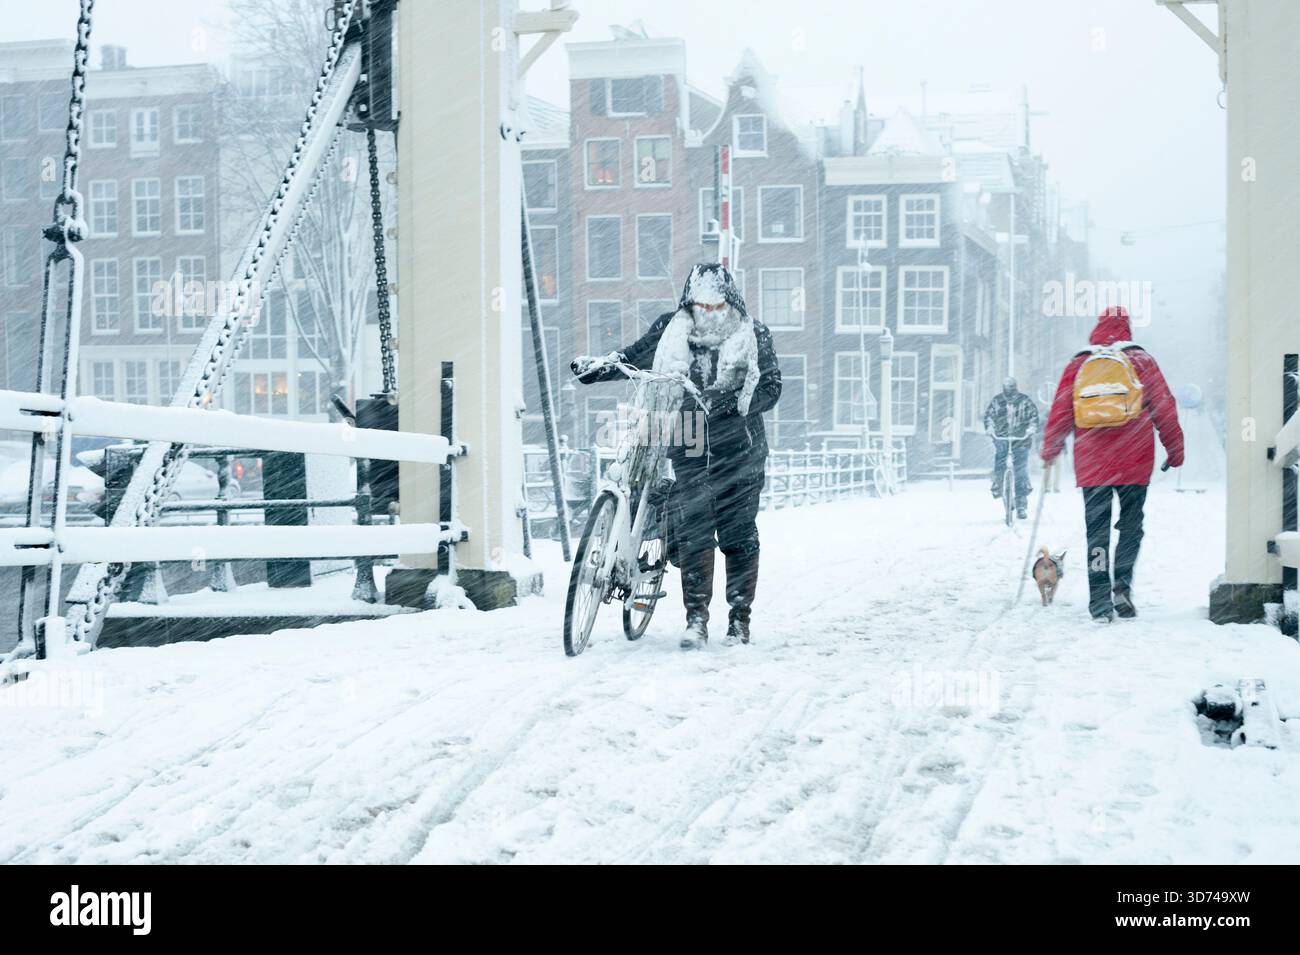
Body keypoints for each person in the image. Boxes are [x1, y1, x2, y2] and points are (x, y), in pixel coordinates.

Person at [570, 264, 782, 649]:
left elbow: (771, 386)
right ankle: (696, 620)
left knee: (736, 534)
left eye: (716, 305)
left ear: (730, 302)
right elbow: (636, 356)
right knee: (694, 532)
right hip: (689, 444)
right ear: (689, 301)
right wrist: (599, 368)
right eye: (701, 304)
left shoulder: (754, 334)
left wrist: (731, 403)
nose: (709, 312)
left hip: (740, 449)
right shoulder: (673, 329)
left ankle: (738, 620)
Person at [1040, 305, 1185, 622]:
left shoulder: (1080, 363)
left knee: (1097, 533)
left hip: (1093, 465)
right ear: (1127, 329)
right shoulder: (1141, 360)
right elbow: (1164, 407)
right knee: (1131, 527)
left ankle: (1098, 599)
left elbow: (1061, 410)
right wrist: (1175, 450)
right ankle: (1121, 584)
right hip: (1134, 461)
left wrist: (1050, 447)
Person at [984, 377, 1039, 519]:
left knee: (1020, 471)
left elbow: (1034, 417)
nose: (1009, 390)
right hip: (1002, 438)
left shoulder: (1025, 400)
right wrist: (990, 429)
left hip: (1021, 440)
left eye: (1011, 387)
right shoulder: (997, 401)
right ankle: (999, 485)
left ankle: (1021, 504)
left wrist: (1030, 430)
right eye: (1007, 387)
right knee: (1000, 464)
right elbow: (989, 416)